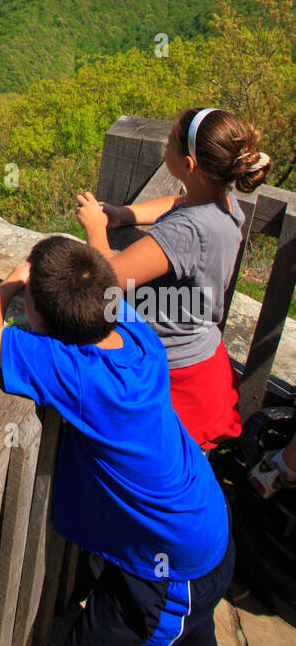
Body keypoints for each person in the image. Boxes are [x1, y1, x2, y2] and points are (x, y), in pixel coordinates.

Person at [0, 235, 235, 646]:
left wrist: (13, 283)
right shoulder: (137, 337)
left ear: (41, 319)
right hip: (204, 525)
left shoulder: (81, 376)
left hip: (173, 572)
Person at [75, 107, 272, 450]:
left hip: (174, 372)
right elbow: (180, 201)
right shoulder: (222, 204)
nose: (164, 148)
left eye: (169, 144)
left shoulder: (187, 232)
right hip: (203, 356)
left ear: (189, 165)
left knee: (159, 460)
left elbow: (108, 279)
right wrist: (127, 214)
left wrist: (95, 226)